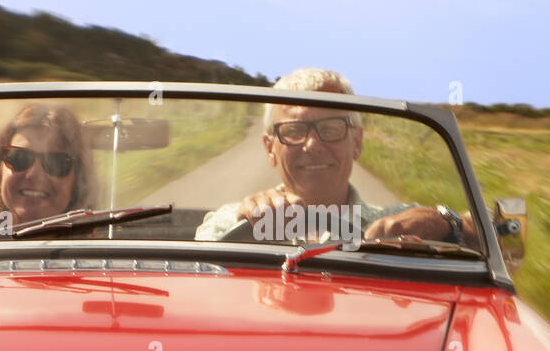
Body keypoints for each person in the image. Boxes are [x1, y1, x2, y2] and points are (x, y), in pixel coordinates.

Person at [194, 68, 478, 247]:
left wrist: (446, 223)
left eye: (331, 128)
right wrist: (250, 228)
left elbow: (499, 239)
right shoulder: (231, 221)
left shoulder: (397, 224)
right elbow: (201, 287)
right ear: (270, 148)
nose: (313, 144)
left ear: (357, 142)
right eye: (294, 130)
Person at [0, 103, 95, 226]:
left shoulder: (103, 245)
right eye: (19, 158)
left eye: (55, 162)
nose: (34, 174)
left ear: (77, 185)